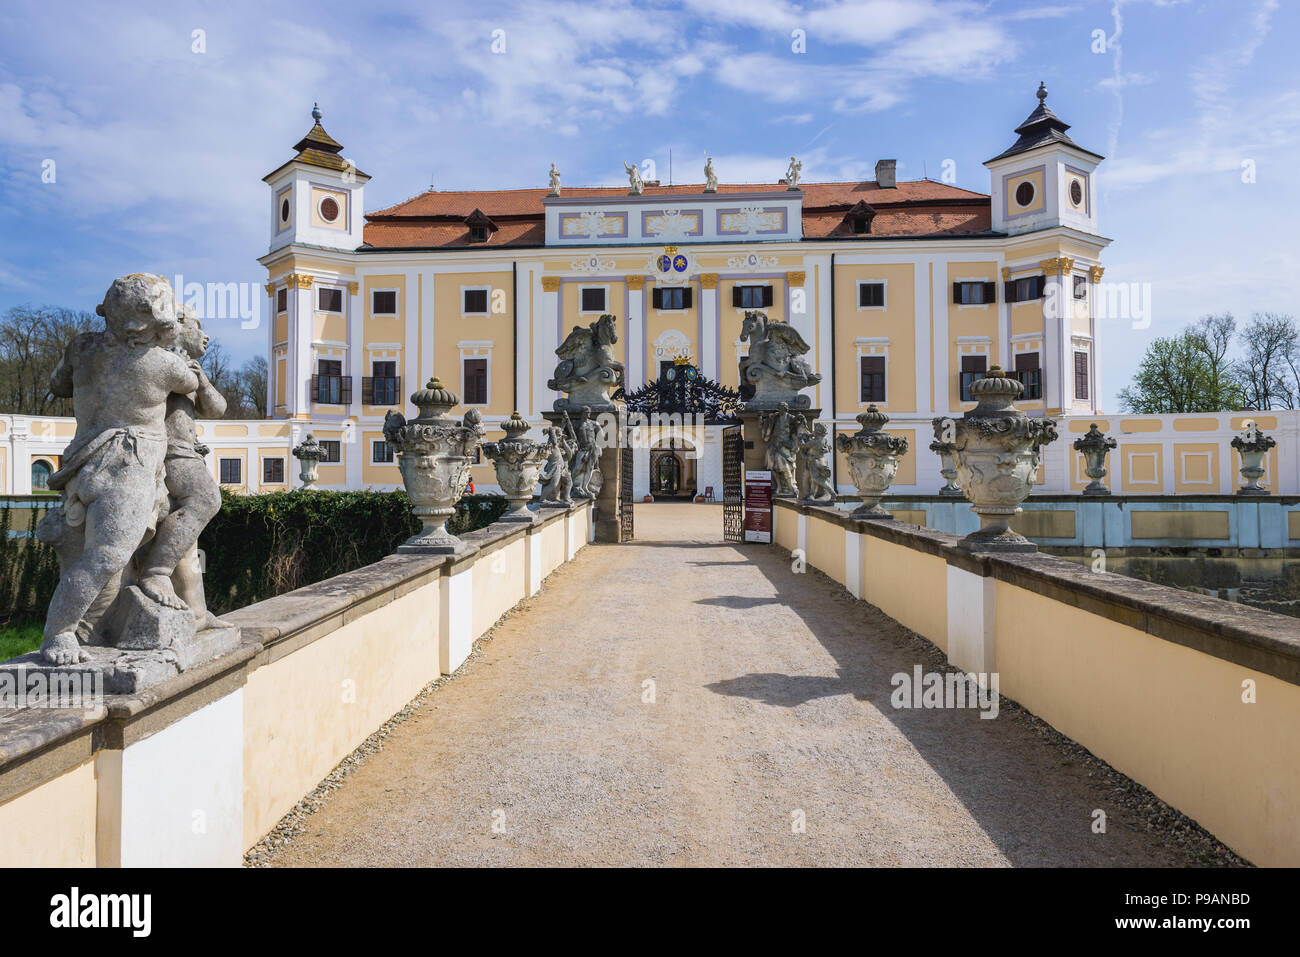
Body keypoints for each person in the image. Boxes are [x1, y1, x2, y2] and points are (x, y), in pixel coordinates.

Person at [38, 274, 199, 665]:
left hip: (82, 462)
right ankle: (58, 633)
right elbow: (194, 382)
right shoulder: (163, 365)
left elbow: (58, 384)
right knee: (106, 558)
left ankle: (86, 630)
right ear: (157, 322)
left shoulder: (81, 348)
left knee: (94, 559)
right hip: (130, 463)